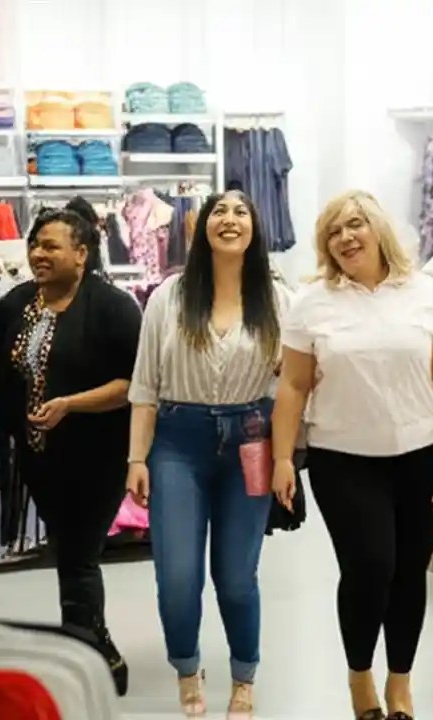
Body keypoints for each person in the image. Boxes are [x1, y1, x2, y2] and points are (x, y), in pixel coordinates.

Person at [271, 190, 433, 720]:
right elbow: (292, 385)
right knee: (369, 566)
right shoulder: (312, 302)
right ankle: (360, 675)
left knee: (409, 573)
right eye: (333, 232)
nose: (345, 237)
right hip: (344, 460)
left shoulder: (427, 294)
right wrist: (284, 458)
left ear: (378, 229)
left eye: (355, 224)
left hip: (422, 456)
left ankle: (399, 683)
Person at [125, 190, 289, 718]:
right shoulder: (168, 297)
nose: (231, 218)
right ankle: (187, 668)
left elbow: (297, 384)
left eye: (242, 211)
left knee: (238, 578)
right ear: (203, 227)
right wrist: (136, 459)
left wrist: (288, 454)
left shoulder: (280, 300)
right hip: (178, 442)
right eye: (220, 210)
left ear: (255, 229)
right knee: (177, 577)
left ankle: (245, 674)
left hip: (253, 440)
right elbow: (144, 387)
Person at [0, 199, 141, 696]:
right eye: (34, 244)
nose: (38, 253)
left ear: (82, 253)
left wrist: (71, 404)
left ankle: (88, 649)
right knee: (70, 552)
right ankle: (93, 642)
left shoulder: (113, 307)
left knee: (78, 553)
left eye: (51, 245)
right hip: (37, 458)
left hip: (97, 457)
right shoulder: (15, 304)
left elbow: (135, 384)